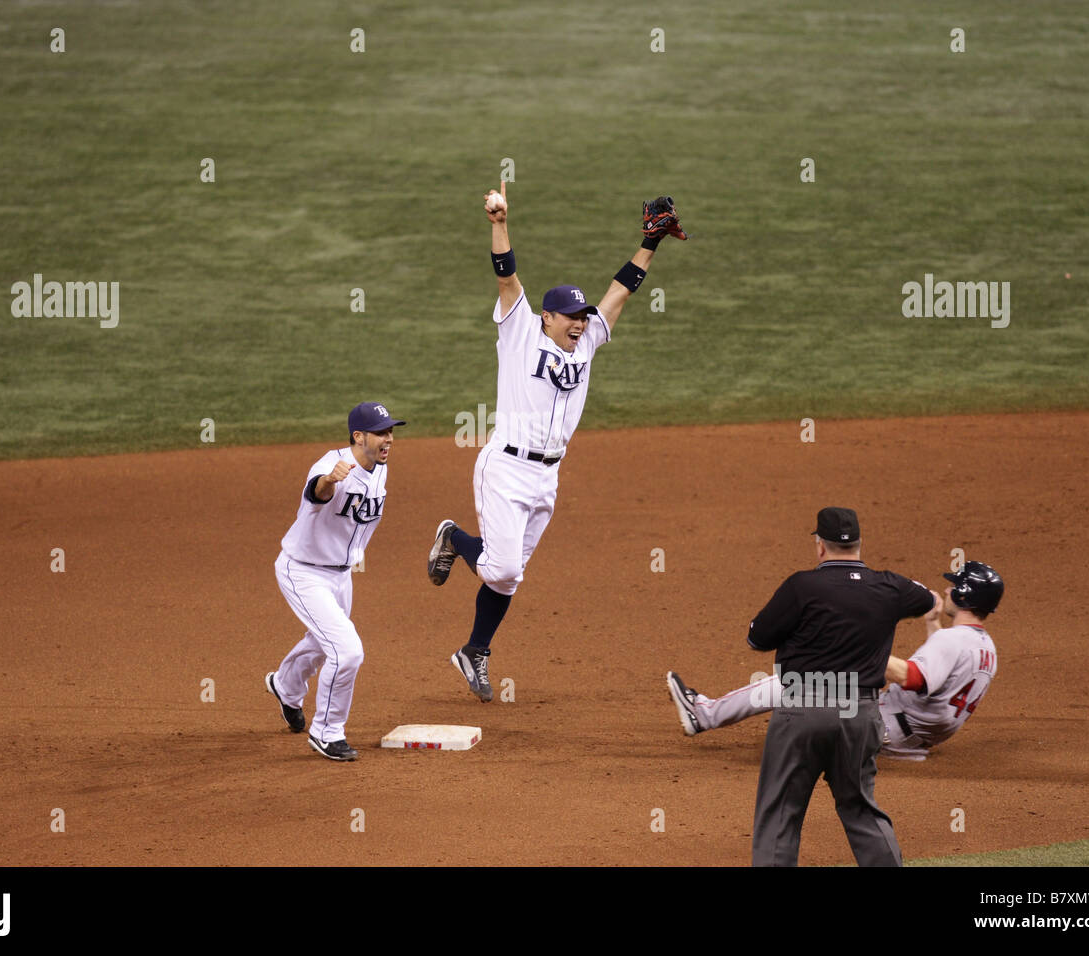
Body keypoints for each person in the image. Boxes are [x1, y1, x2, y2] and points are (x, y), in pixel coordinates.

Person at [425, 182, 686, 701]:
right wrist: (499, 223)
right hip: (505, 467)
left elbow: (621, 290)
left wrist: (650, 242)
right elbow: (506, 277)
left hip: (547, 476)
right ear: (548, 317)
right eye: (571, 316)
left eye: (583, 316)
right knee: (501, 566)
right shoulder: (519, 330)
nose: (580, 323)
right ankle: (453, 537)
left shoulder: (588, 339)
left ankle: (474, 651)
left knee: (509, 578)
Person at [717, 507, 936, 866]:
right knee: (860, 809)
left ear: (820, 546)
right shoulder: (890, 586)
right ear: (860, 545)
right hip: (861, 714)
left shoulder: (802, 586)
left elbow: (756, 639)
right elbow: (929, 600)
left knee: (781, 812)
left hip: (803, 711)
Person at [667, 561, 1003, 762]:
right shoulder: (983, 647)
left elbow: (914, 677)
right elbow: (939, 675)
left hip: (883, 729)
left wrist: (858, 649)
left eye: (952, 588)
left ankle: (703, 715)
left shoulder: (951, 641)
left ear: (963, 596)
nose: (946, 591)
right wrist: (931, 622)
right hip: (914, 740)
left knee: (796, 685)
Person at [264, 401, 405, 761]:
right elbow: (317, 492)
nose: (388, 439)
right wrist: (329, 480)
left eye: (390, 431)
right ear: (358, 437)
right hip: (304, 571)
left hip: (342, 577)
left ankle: (285, 685)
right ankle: (327, 732)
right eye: (380, 433)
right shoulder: (331, 465)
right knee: (347, 651)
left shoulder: (379, 466)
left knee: (321, 639)